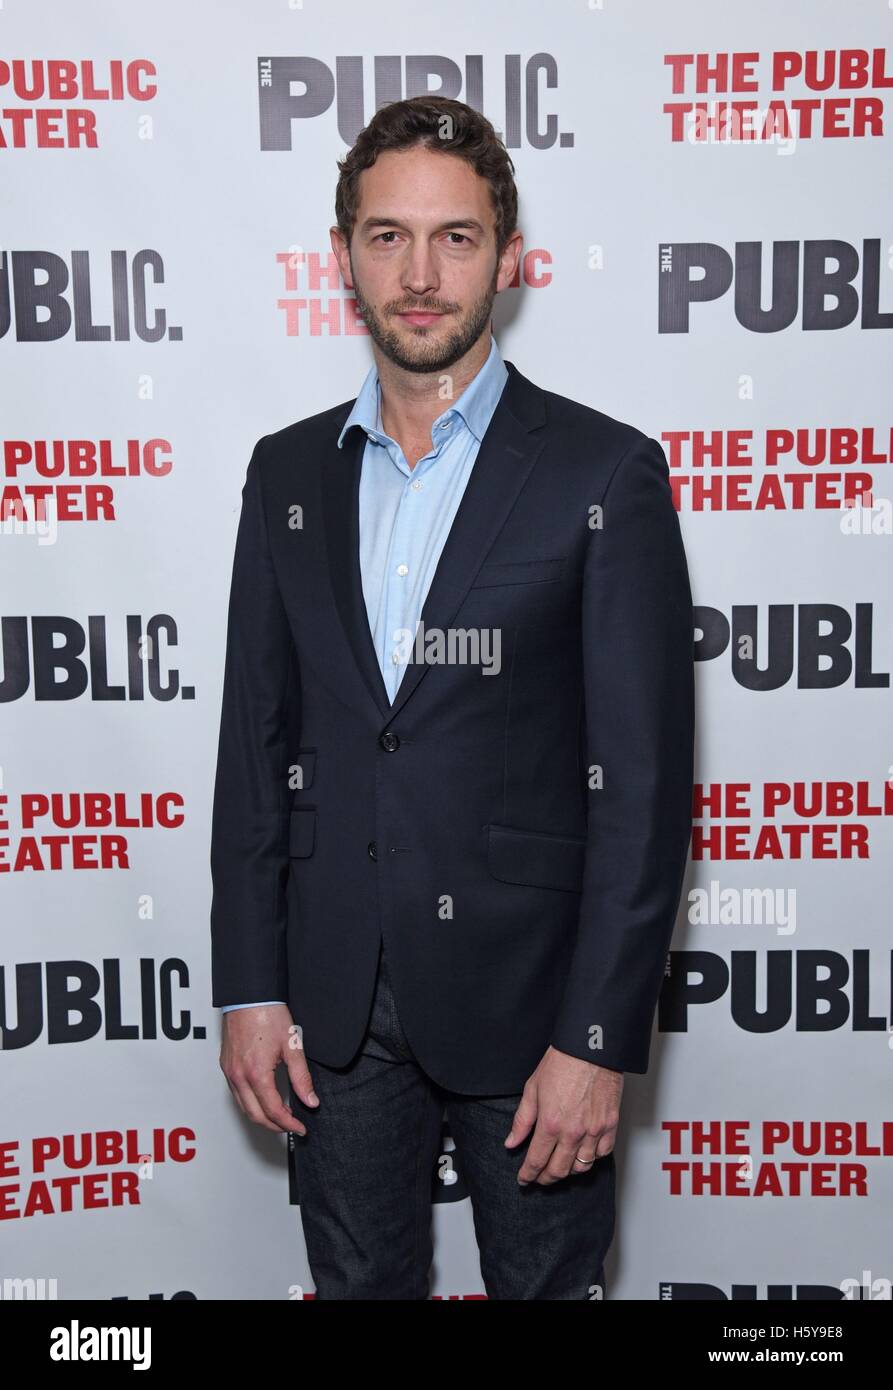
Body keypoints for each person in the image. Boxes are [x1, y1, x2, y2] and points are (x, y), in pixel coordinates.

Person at [210, 95, 695, 1300]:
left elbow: (641, 791)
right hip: (332, 1006)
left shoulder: (602, 470)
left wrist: (594, 1039)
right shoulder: (284, 472)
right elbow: (254, 746)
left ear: (507, 255)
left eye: (455, 238)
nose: (419, 275)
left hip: (532, 1006)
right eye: (385, 237)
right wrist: (249, 983)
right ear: (341, 259)